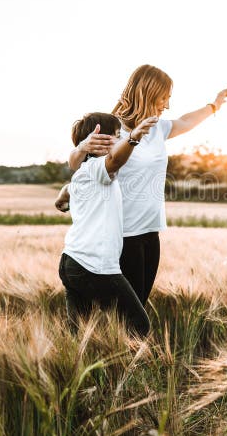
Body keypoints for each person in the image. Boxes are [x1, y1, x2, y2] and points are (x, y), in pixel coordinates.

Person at [57, 65, 227, 306]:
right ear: (147, 93)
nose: (167, 105)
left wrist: (214, 106)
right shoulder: (115, 128)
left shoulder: (157, 128)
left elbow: (186, 121)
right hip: (124, 234)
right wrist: (79, 150)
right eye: (163, 98)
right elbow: (79, 165)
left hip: (151, 232)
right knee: (125, 318)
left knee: (137, 310)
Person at [58, 111, 158, 337]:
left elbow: (70, 190)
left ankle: (75, 370)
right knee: (138, 325)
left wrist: (63, 195)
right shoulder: (97, 167)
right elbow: (113, 160)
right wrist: (133, 138)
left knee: (79, 335)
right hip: (94, 266)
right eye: (116, 136)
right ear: (98, 140)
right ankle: (127, 372)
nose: (120, 140)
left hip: (71, 263)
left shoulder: (83, 173)